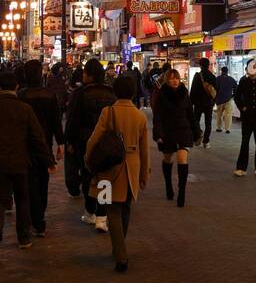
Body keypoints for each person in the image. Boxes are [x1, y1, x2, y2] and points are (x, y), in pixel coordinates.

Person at [0, 70, 52, 257]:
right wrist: (48, 159)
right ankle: (24, 238)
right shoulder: (25, 109)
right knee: (23, 199)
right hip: (20, 161)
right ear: (17, 86)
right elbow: (37, 137)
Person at [85, 74, 150, 271]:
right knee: (126, 207)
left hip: (107, 169)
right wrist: (143, 175)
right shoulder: (140, 116)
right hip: (132, 166)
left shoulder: (108, 112)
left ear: (115, 91)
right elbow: (144, 148)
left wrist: (89, 161)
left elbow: (93, 140)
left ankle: (120, 255)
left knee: (110, 208)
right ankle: (119, 247)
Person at [64, 58, 116, 233]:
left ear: (89, 75)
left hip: (84, 140)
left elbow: (72, 120)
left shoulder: (80, 93)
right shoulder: (111, 93)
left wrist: (69, 141)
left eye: (85, 73)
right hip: (106, 140)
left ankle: (90, 211)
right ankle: (103, 216)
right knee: (106, 177)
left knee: (87, 175)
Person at [18, 59, 63, 237]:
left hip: (24, 145)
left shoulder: (21, 96)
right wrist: (60, 142)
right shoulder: (49, 95)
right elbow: (56, 121)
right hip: (44, 144)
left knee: (26, 183)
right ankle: (39, 219)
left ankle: (28, 217)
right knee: (42, 182)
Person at [152, 67, 198, 206]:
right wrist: (158, 133)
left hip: (183, 130)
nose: (174, 81)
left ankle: (182, 193)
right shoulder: (161, 95)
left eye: (176, 78)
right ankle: (168, 185)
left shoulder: (185, 93)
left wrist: (196, 131)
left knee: (182, 159)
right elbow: (157, 116)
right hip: (168, 131)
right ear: (167, 79)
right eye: (172, 78)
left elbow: (191, 114)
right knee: (168, 158)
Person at [190, 57, 217, 148]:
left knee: (195, 121)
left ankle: (197, 136)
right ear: (208, 65)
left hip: (198, 103)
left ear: (200, 65)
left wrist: (191, 102)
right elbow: (217, 90)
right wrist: (213, 101)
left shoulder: (197, 76)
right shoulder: (212, 76)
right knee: (208, 123)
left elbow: (193, 90)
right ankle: (206, 141)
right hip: (208, 103)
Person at [214, 66, 237, 134]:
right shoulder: (231, 79)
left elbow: (215, 89)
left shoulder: (217, 79)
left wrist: (215, 98)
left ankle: (219, 128)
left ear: (221, 71)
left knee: (219, 114)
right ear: (227, 71)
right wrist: (233, 96)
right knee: (228, 115)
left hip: (219, 99)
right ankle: (227, 129)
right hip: (228, 99)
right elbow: (236, 88)